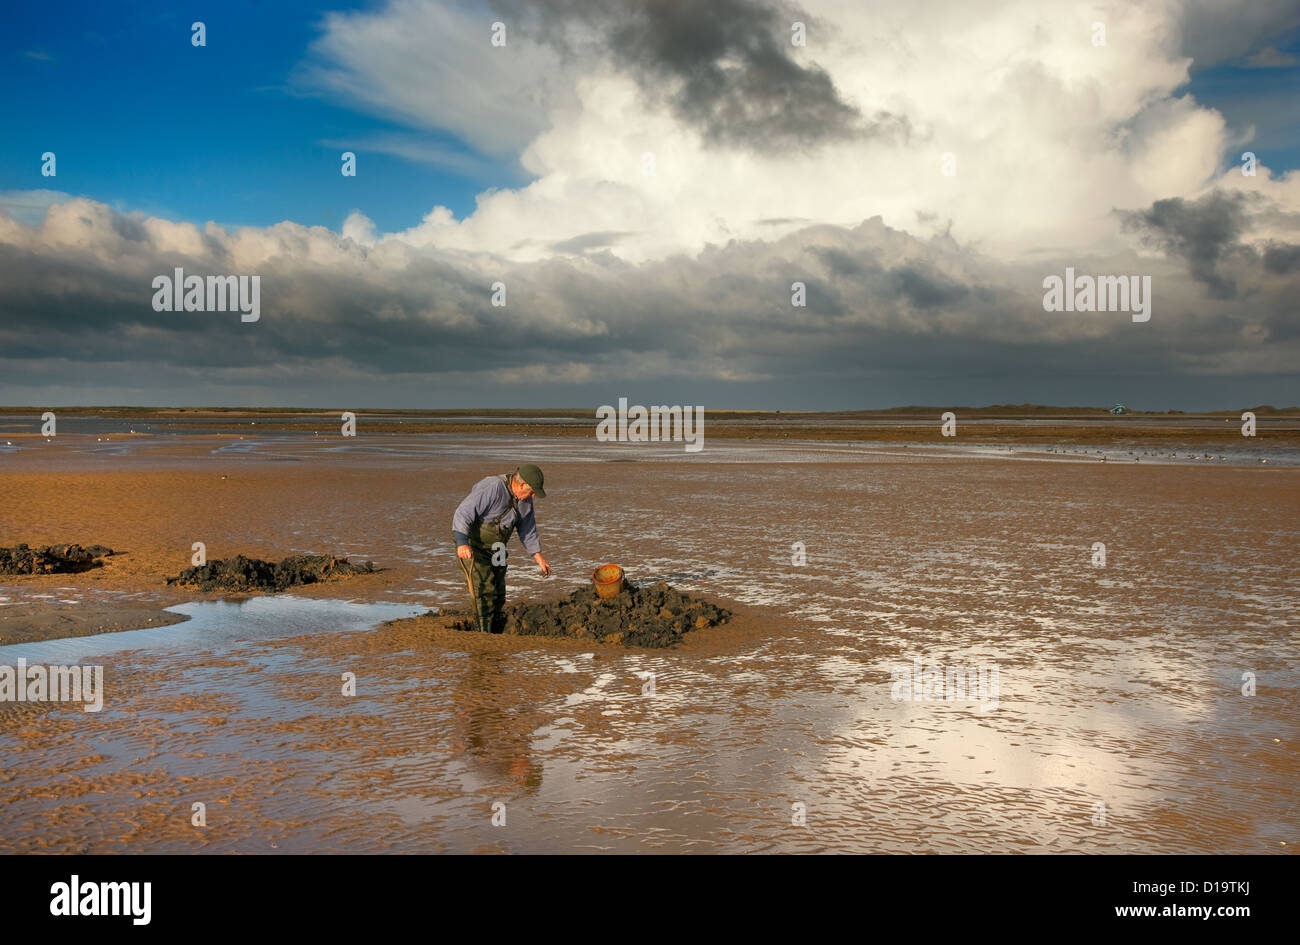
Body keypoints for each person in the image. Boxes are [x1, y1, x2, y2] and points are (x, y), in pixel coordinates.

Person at [452, 464, 552, 633]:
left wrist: (538, 557)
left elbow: (527, 528)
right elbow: (462, 513)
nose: (533, 496)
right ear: (521, 485)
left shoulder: (525, 500)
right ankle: (483, 633)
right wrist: (462, 543)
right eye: (532, 491)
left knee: (499, 591)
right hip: (474, 546)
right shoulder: (492, 487)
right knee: (484, 591)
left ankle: (495, 629)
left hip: (498, 548)